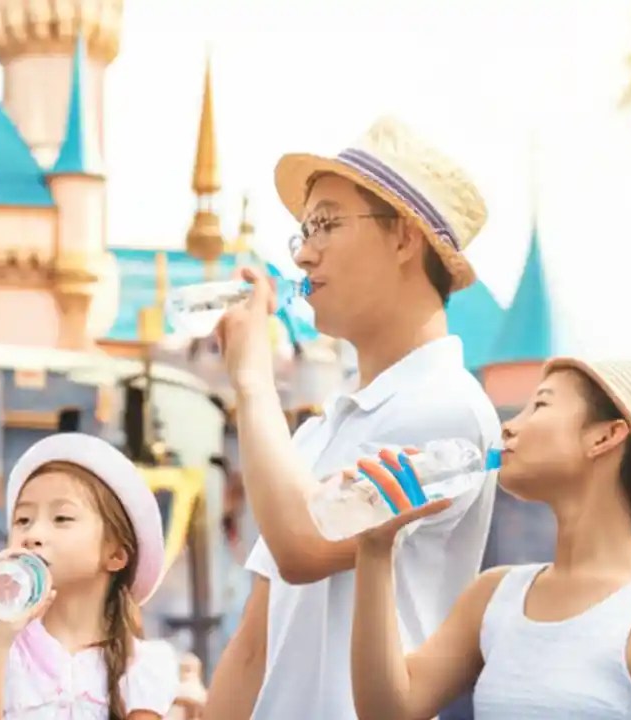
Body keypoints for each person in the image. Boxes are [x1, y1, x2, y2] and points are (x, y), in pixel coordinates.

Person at [204, 116, 502, 720]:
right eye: (303, 232)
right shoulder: (316, 432)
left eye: (327, 224)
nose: (305, 252)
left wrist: (254, 379)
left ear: (403, 238)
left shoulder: (448, 406)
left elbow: (305, 545)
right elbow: (252, 649)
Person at [350, 358, 631, 719]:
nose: (508, 427)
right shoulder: (494, 596)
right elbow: (388, 712)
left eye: (540, 405)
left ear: (604, 437)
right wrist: (375, 548)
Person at [0, 432, 180, 719]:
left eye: (62, 518)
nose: (33, 535)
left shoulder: (142, 666)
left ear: (116, 555)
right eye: (23, 520)